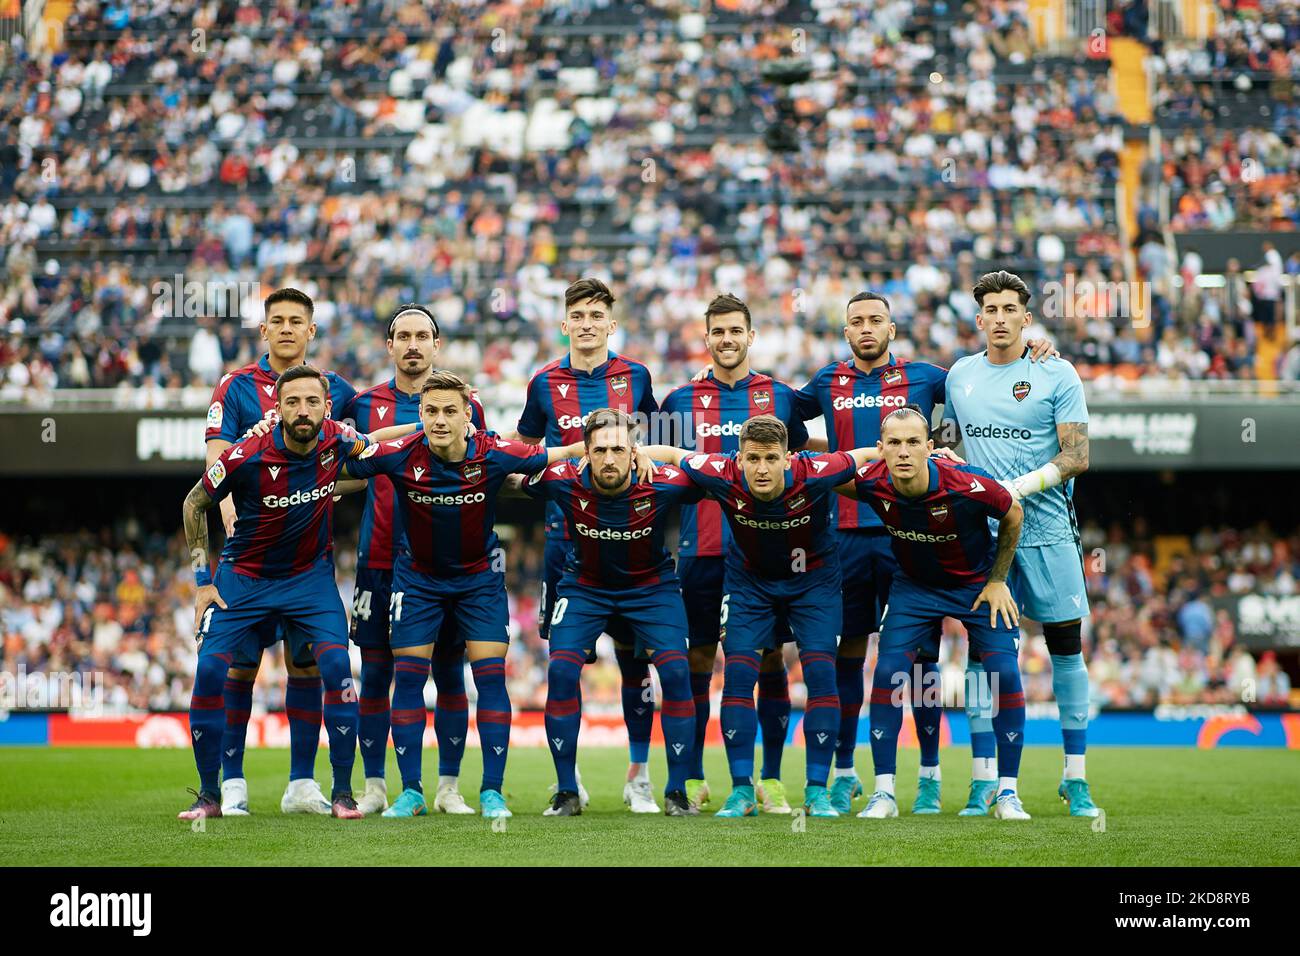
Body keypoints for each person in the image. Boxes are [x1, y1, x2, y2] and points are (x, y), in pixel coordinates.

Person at [342, 371, 582, 819]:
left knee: (489, 677)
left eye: (450, 410)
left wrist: (618, 451)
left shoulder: (493, 452)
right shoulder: (399, 455)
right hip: (417, 579)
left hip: (478, 581)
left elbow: (558, 453)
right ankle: (411, 791)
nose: (439, 420)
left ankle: (492, 791)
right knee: (409, 679)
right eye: (430, 411)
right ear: (419, 415)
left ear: (468, 415)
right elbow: (345, 456)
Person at [639, 416, 877, 817]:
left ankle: (817, 790)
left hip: (813, 582)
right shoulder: (721, 471)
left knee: (821, 675)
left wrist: (927, 452)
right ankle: (741, 791)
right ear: (739, 458)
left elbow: (866, 453)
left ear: (788, 458)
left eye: (771, 458)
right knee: (738, 678)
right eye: (753, 458)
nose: (762, 468)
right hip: (749, 584)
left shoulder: (817, 470)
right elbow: (675, 455)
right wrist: (635, 453)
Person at [179, 365, 372, 820]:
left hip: (309, 579)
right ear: (277, 408)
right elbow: (193, 503)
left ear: (327, 406)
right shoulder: (246, 454)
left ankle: (342, 793)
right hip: (242, 579)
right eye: (292, 402)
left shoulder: (340, 439)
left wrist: (430, 423)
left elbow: (378, 455)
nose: (302, 411)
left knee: (339, 669)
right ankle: (210, 796)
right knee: (209, 673)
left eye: (311, 402)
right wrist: (202, 580)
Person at [942, 270, 1101, 818]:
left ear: (1027, 317)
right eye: (992, 309)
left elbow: (1077, 457)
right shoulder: (959, 376)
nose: (1002, 317)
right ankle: (985, 778)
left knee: (1065, 650)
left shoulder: (1056, 373)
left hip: (1048, 530)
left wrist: (1015, 488)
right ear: (979, 317)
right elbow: (945, 445)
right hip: (983, 535)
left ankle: (1074, 777)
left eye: (1013, 308)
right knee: (986, 657)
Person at [511, 277, 661, 812]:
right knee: (564, 662)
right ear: (565, 323)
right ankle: (568, 780)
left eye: (597, 315)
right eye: (579, 315)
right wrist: (564, 453)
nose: (588, 324)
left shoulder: (637, 376)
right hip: (566, 541)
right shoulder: (543, 382)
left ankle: (639, 773)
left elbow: (655, 447)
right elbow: (523, 455)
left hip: (632, 539)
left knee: (636, 663)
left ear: (611, 324)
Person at [838, 406, 1030, 820]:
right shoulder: (871, 482)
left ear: (930, 447)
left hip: (977, 586)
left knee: (1006, 674)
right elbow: (827, 473)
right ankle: (884, 793)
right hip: (913, 589)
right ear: (880, 450)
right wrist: (864, 457)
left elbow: (1014, 511)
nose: (903, 453)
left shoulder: (967, 483)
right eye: (893, 444)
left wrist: (998, 579)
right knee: (889, 673)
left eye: (912, 443)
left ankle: (1007, 793)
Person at [658, 293, 810, 813]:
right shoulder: (678, 401)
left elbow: (804, 471)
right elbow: (662, 477)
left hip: (764, 553)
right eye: (717, 331)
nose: (726, 339)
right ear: (706, 339)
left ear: (751, 336)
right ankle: (696, 777)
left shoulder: (781, 397)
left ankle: (769, 778)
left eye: (734, 331)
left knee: (769, 658)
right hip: (701, 551)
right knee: (698, 657)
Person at [515, 409, 704, 817]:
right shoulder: (563, 480)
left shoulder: (663, 482)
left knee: (674, 672)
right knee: (562, 671)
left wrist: (662, 453)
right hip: (585, 587)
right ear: (586, 452)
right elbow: (513, 473)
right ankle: (567, 791)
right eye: (600, 450)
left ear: (634, 452)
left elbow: (714, 471)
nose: (610, 458)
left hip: (651, 588)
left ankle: (674, 791)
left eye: (619, 449)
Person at [346, 304, 486, 816]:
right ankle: (377, 785)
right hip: (379, 560)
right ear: (389, 345)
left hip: (444, 564)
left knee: (449, 673)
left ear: (436, 343)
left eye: (421, 335)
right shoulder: (362, 403)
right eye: (402, 335)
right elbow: (339, 458)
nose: (412, 344)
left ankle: (448, 787)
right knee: (378, 673)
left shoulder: (466, 405)